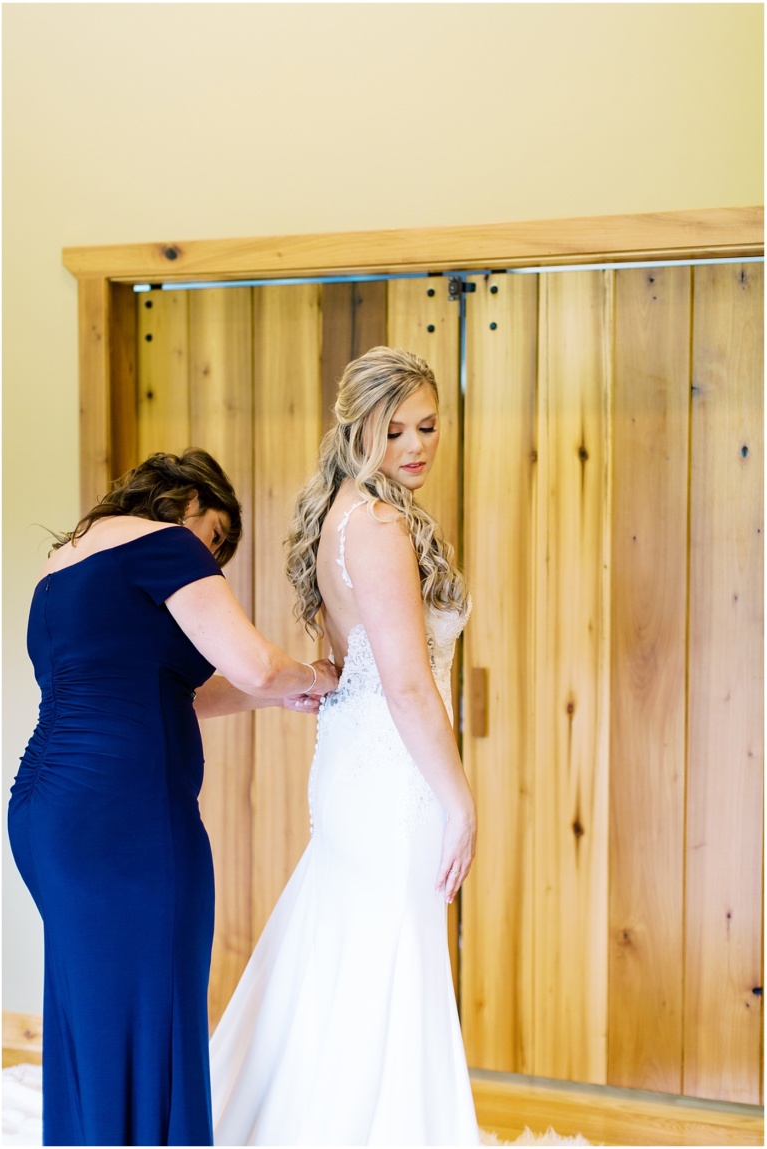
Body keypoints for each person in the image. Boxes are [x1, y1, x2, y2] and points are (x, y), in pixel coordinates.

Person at [7, 448, 338, 1148]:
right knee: (156, 1004)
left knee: (93, 1010)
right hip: (125, 817)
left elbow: (165, 692)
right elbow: (254, 661)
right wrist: (318, 673)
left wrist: (278, 694)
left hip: (46, 809)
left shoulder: (61, 564)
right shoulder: (164, 544)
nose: (211, 558)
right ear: (188, 502)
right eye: (214, 537)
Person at [210, 347, 480, 1145]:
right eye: (393, 429)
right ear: (358, 426)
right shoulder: (380, 522)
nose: (415, 445)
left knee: (351, 952)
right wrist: (459, 798)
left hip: (353, 761)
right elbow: (405, 684)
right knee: (387, 955)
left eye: (427, 426)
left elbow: (356, 663)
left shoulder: (340, 514)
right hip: (391, 772)